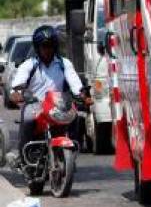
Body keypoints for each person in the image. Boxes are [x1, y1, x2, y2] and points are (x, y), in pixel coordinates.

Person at [9, 25, 90, 163]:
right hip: (35, 106)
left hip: (57, 106)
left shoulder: (64, 63)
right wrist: (16, 94)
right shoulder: (29, 65)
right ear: (38, 47)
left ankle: (72, 148)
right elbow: (16, 87)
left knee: (75, 116)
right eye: (44, 46)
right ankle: (24, 156)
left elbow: (75, 82)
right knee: (28, 119)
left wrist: (82, 95)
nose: (48, 50)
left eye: (51, 46)